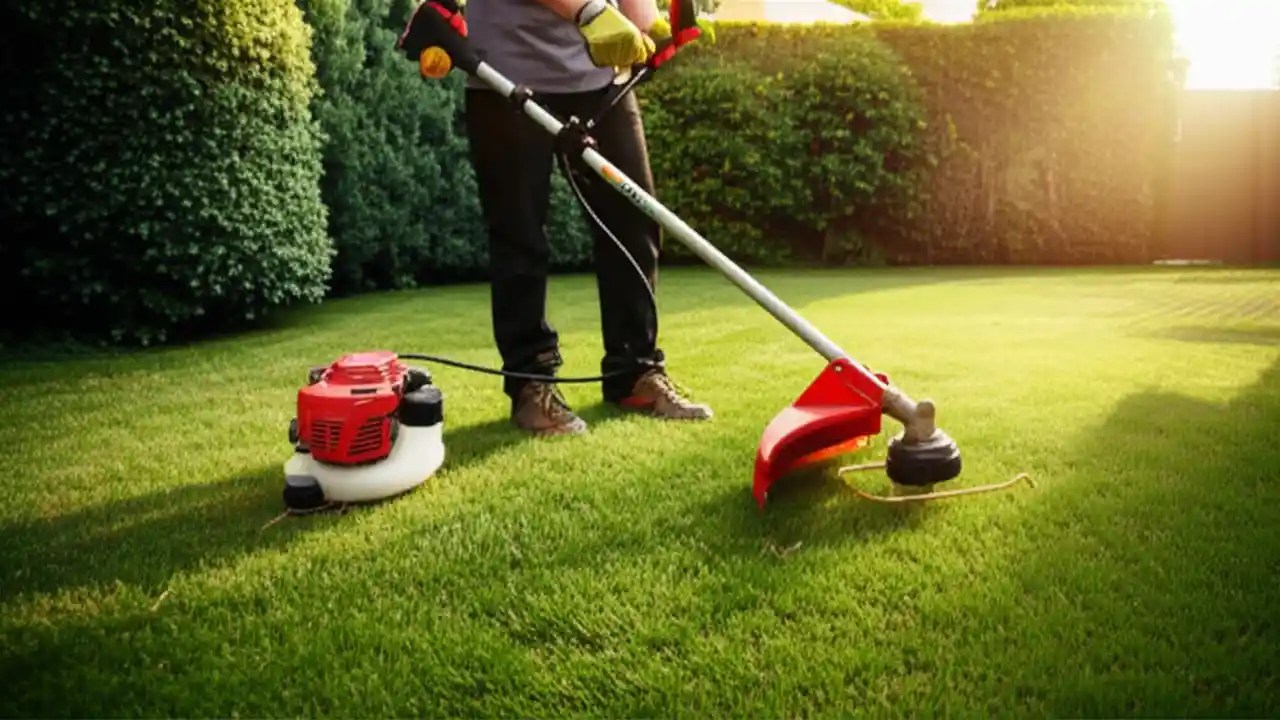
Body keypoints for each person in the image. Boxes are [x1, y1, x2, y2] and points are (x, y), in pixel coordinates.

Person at [460, 0, 713, 435]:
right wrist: (589, 10)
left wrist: (644, 27)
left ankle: (634, 371)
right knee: (519, 234)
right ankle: (531, 385)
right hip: (504, 76)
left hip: (599, 76)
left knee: (634, 221)